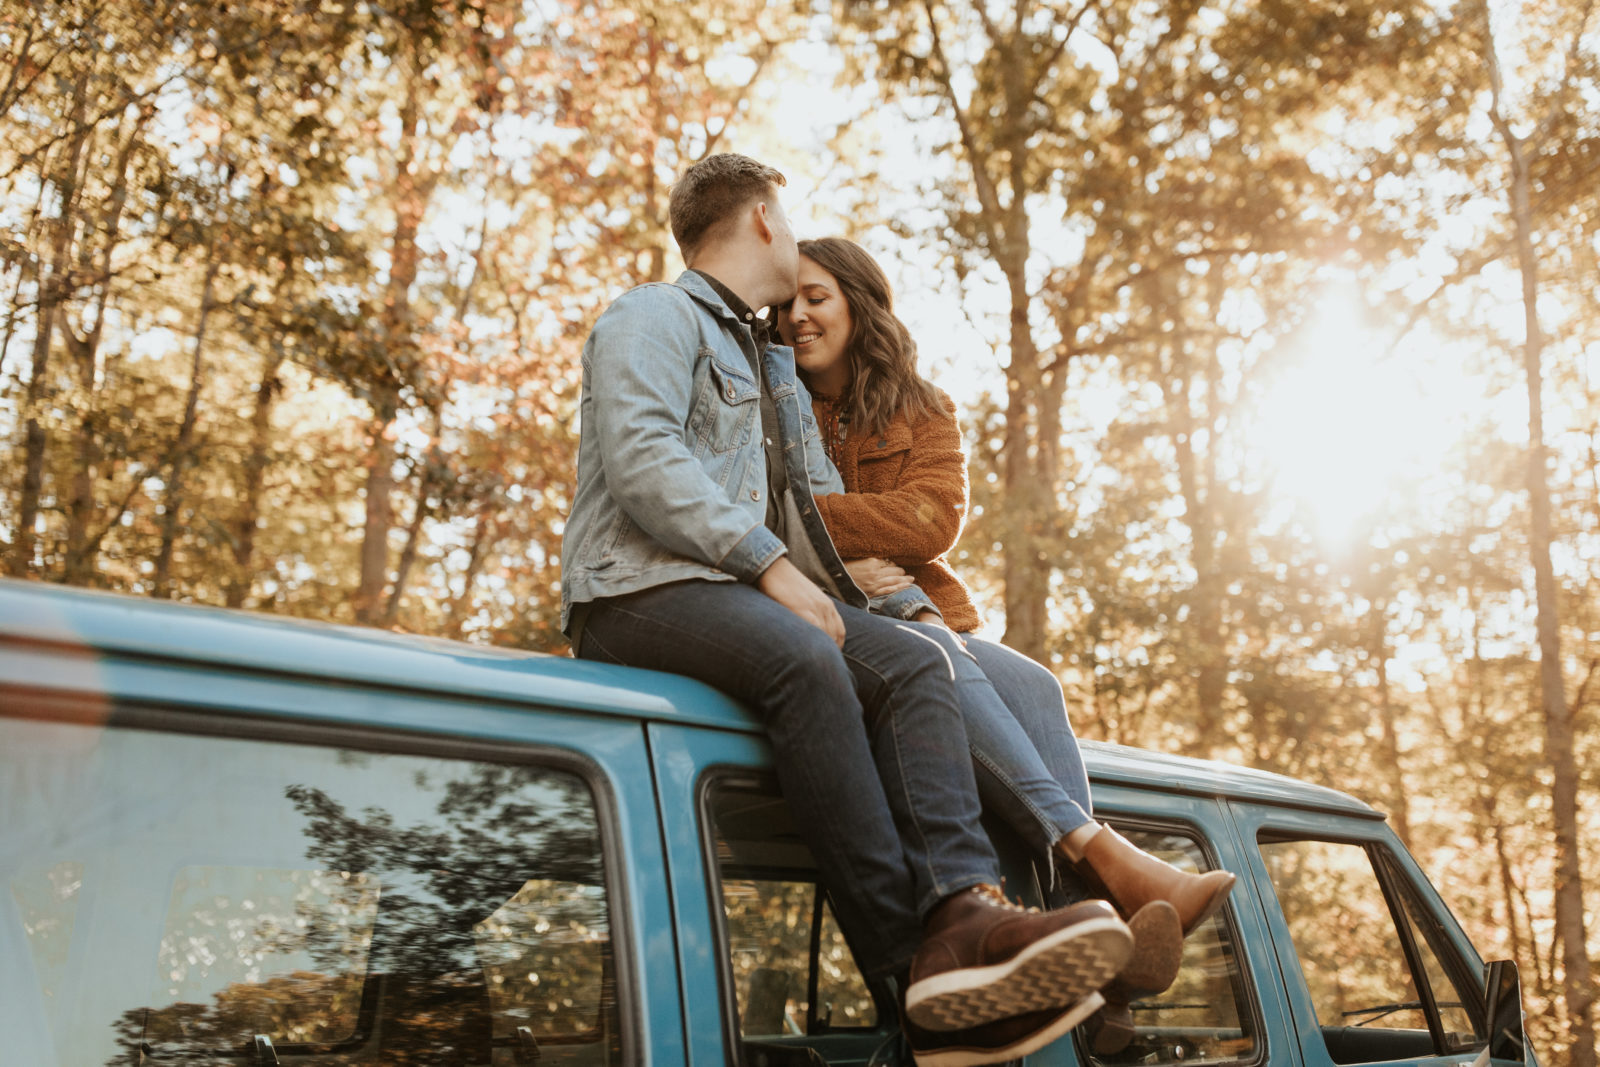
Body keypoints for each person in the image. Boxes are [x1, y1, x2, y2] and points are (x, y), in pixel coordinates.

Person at [559, 154, 1135, 1066]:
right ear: (760, 222)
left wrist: (899, 606)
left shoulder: (770, 366)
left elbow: (815, 504)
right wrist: (770, 566)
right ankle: (908, 978)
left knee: (917, 663)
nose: (794, 244)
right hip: (635, 591)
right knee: (806, 662)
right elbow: (642, 457)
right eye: (788, 222)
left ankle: (962, 910)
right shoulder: (652, 315)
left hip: (736, 596)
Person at [775, 236, 1237, 1052]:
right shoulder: (773, 402)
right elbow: (781, 518)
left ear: (856, 300)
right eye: (787, 303)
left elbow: (930, 520)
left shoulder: (919, 406)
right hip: (841, 613)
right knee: (945, 668)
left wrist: (819, 520)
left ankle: (1085, 938)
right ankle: (1110, 875)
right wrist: (827, 532)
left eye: (815, 297)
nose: (797, 315)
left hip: (918, 605)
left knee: (1034, 687)